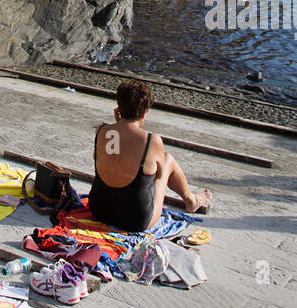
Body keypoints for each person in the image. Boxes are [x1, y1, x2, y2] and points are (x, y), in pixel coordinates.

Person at [89, 79, 211, 232]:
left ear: (118, 107)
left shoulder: (102, 130)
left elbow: (107, 155)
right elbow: (159, 176)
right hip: (135, 219)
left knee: (119, 160)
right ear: (143, 112)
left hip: (100, 210)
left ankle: (191, 199)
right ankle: (191, 200)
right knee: (167, 160)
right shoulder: (151, 140)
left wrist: (118, 124)